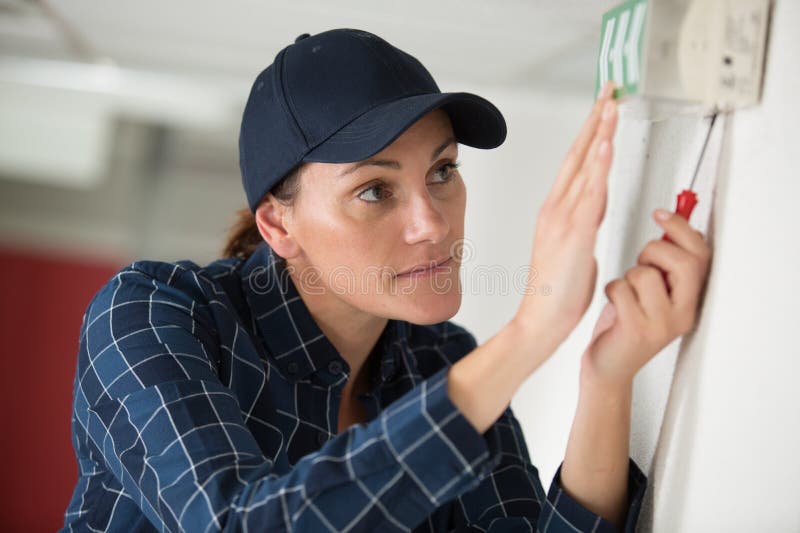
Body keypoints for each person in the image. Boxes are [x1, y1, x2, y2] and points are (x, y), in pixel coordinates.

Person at [61, 28, 711, 532]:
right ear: (278, 224)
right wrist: (529, 336)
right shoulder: (150, 315)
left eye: (442, 171)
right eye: (375, 190)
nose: (431, 222)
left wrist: (607, 376)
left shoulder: (440, 362)